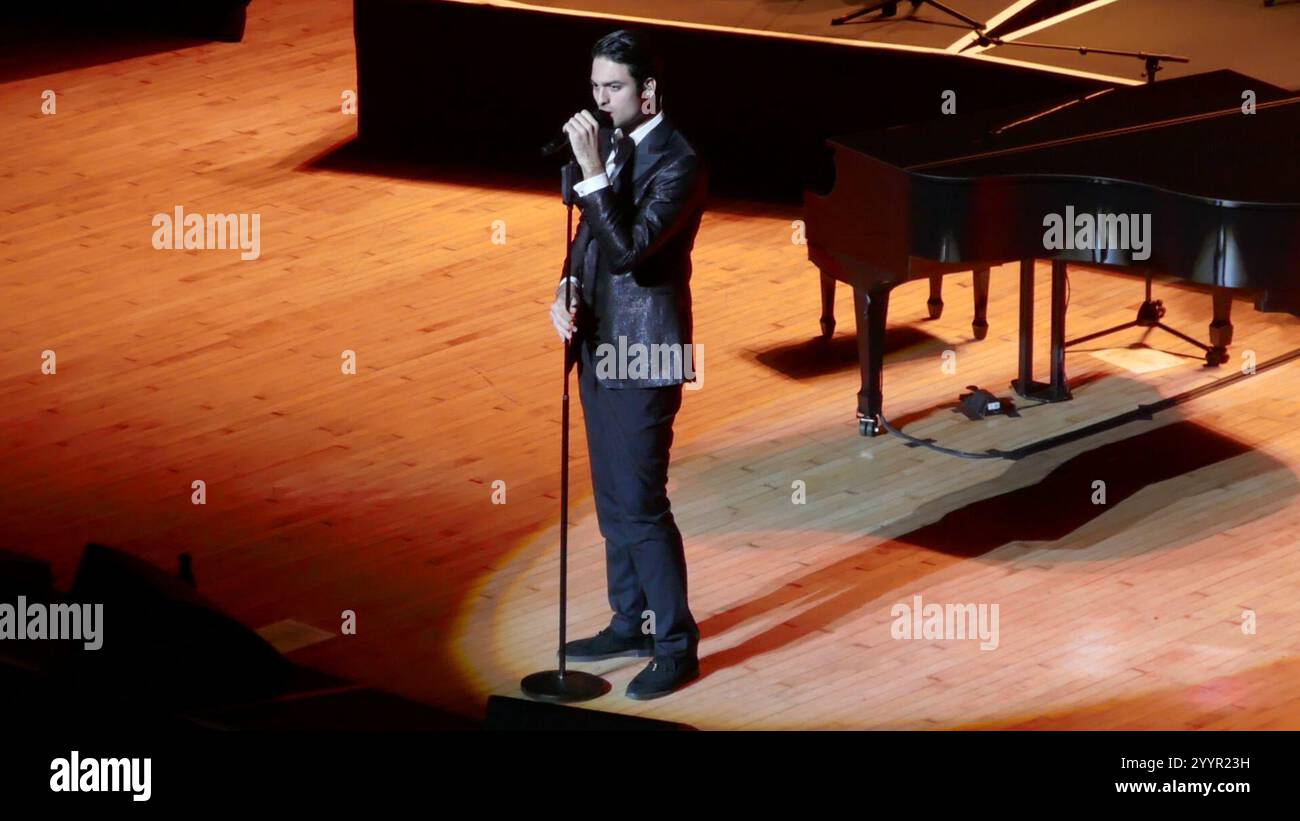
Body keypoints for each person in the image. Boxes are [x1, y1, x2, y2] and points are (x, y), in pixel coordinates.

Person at [548, 28, 708, 699]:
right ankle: (628, 620)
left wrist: (590, 175)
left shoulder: (681, 162)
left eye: (612, 87)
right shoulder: (612, 146)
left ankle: (676, 643)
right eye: (594, 87)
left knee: (641, 504)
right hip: (598, 341)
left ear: (649, 90)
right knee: (612, 497)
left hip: (646, 349)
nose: (600, 100)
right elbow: (589, 241)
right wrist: (564, 288)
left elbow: (630, 251)